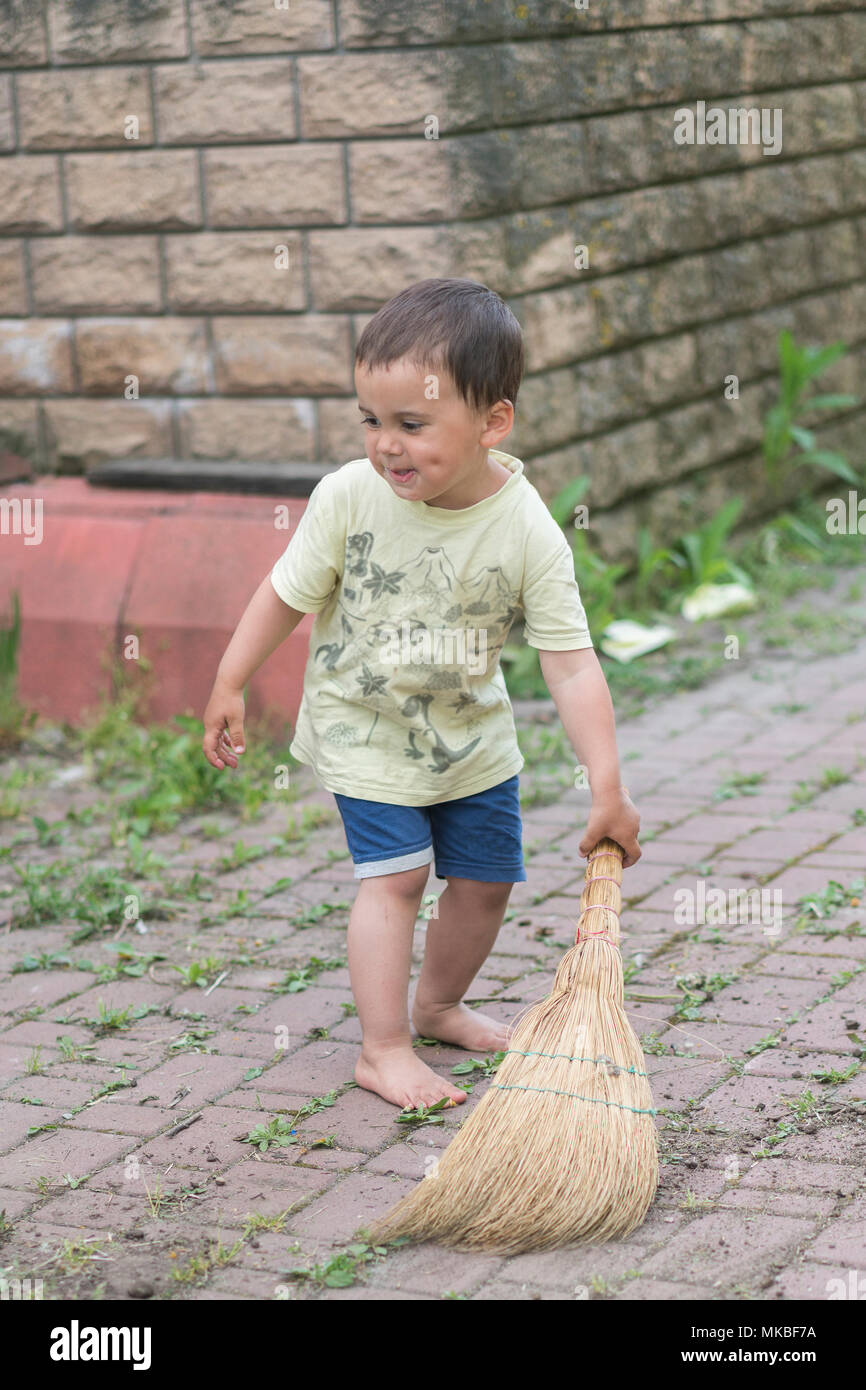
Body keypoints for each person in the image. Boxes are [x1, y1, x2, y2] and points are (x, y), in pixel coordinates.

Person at [203, 277, 641, 1110]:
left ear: (492, 422)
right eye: (371, 420)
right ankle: (383, 1048)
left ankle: (436, 1006)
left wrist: (607, 785)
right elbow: (285, 593)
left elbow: (572, 662)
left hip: (472, 740)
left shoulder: (525, 528)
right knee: (397, 879)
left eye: (412, 424)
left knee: (484, 883)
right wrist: (231, 680)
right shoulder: (348, 497)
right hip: (364, 731)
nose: (386, 446)